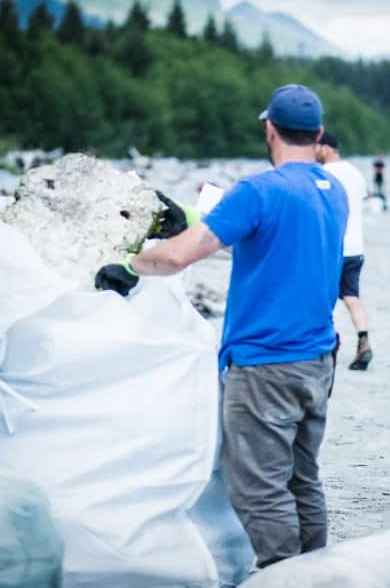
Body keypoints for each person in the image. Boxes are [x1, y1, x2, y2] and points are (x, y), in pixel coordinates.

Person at [94, 84, 347, 568]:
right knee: (302, 478)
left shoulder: (258, 190)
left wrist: (129, 261)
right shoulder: (331, 189)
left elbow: (177, 257)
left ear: (269, 129)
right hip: (318, 359)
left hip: (264, 364)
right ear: (316, 134)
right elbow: (266, 244)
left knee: (257, 486)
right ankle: (319, 572)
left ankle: (282, 578)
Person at [316, 132, 373, 371]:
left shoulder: (324, 174)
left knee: (322, 298)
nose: (314, 152)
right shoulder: (356, 173)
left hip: (332, 247)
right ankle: (363, 339)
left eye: (316, 147)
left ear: (327, 148)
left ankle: (323, 347)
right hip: (356, 247)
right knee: (352, 297)